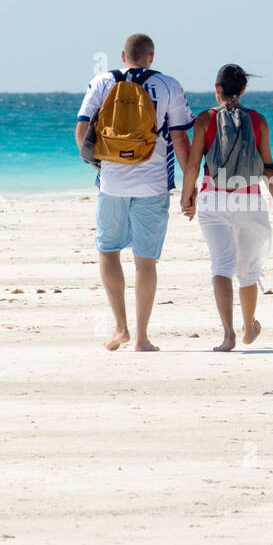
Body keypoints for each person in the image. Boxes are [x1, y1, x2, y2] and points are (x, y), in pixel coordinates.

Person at [75, 33, 194, 351]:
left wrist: (99, 166)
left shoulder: (102, 82)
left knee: (108, 251)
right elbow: (181, 139)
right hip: (153, 183)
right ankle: (142, 338)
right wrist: (189, 186)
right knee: (145, 261)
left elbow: (82, 130)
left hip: (111, 182)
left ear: (122, 55)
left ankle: (120, 328)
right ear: (151, 57)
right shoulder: (169, 85)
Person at [179, 64, 273, 351]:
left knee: (222, 263)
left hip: (213, 198)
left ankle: (228, 335)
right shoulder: (258, 121)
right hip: (249, 199)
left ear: (216, 88)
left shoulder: (206, 120)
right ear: (244, 90)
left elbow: (194, 164)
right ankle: (247, 327)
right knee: (248, 266)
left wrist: (186, 197)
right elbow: (269, 169)